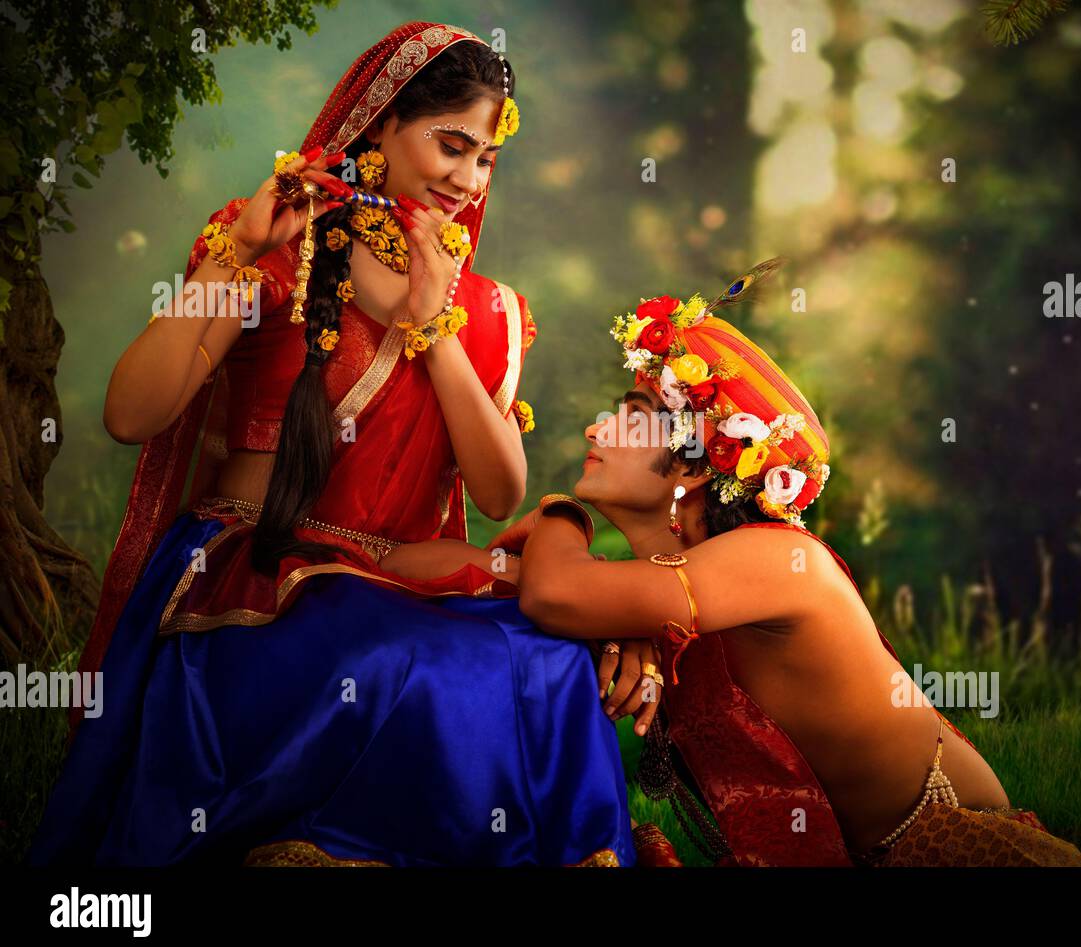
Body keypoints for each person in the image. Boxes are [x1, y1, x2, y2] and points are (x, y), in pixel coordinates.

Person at [29, 22, 633, 867]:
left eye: (486, 158)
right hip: (259, 570)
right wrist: (235, 254)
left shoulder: (488, 310)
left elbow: (498, 494)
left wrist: (436, 330)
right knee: (393, 655)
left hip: (402, 577)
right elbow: (133, 414)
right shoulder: (282, 248)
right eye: (450, 146)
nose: (467, 178)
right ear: (382, 124)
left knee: (554, 668)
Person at [487, 263, 1081, 867]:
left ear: (697, 466)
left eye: (634, 414)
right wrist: (618, 621)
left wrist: (559, 513)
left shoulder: (778, 558)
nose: (598, 427)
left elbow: (554, 592)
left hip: (958, 851)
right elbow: (546, 587)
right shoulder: (678, 576)